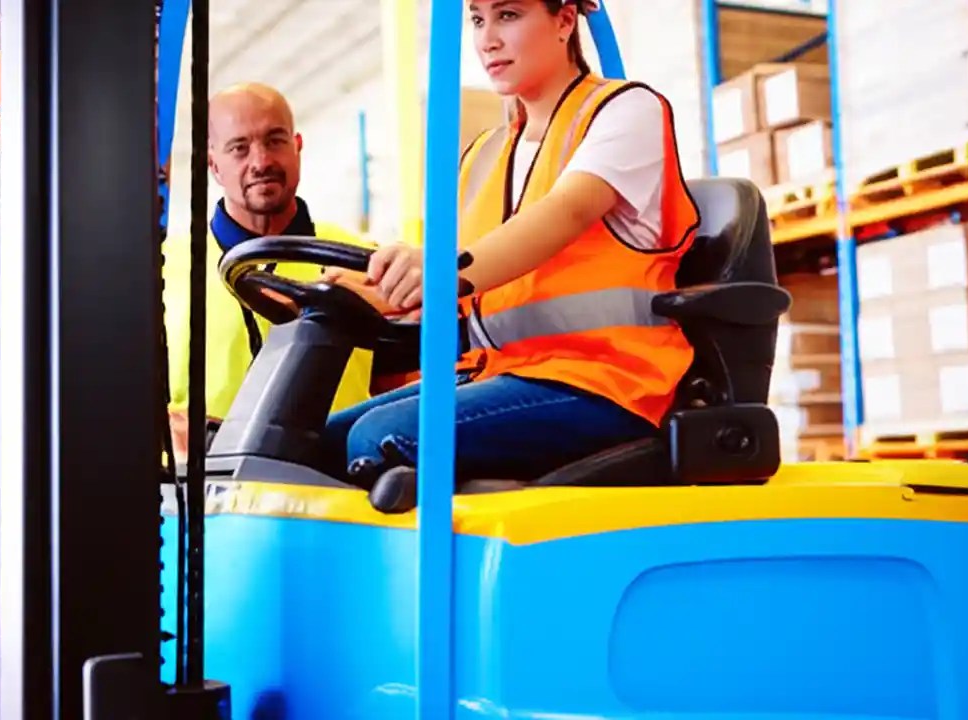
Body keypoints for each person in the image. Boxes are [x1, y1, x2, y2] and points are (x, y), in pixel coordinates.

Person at [321, 0, 701, 485]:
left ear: (565, 21)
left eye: (508, 15)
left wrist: (436, 271)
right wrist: (367, 288)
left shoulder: (624, 111)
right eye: (478, 20)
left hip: (605, 381)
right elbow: (468, 275)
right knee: (316, 443)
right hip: (499, 371)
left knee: (380, 438)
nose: (487, 39)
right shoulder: (484, 153)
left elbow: (566, 210)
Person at [164, 82, 378, 461]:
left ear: (297, 146)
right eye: (239, 148)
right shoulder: (162, 269)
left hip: (333, 490)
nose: (260, 161)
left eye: (275, 141)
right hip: (205, 495)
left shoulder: (363, 260)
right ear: (213, 164)